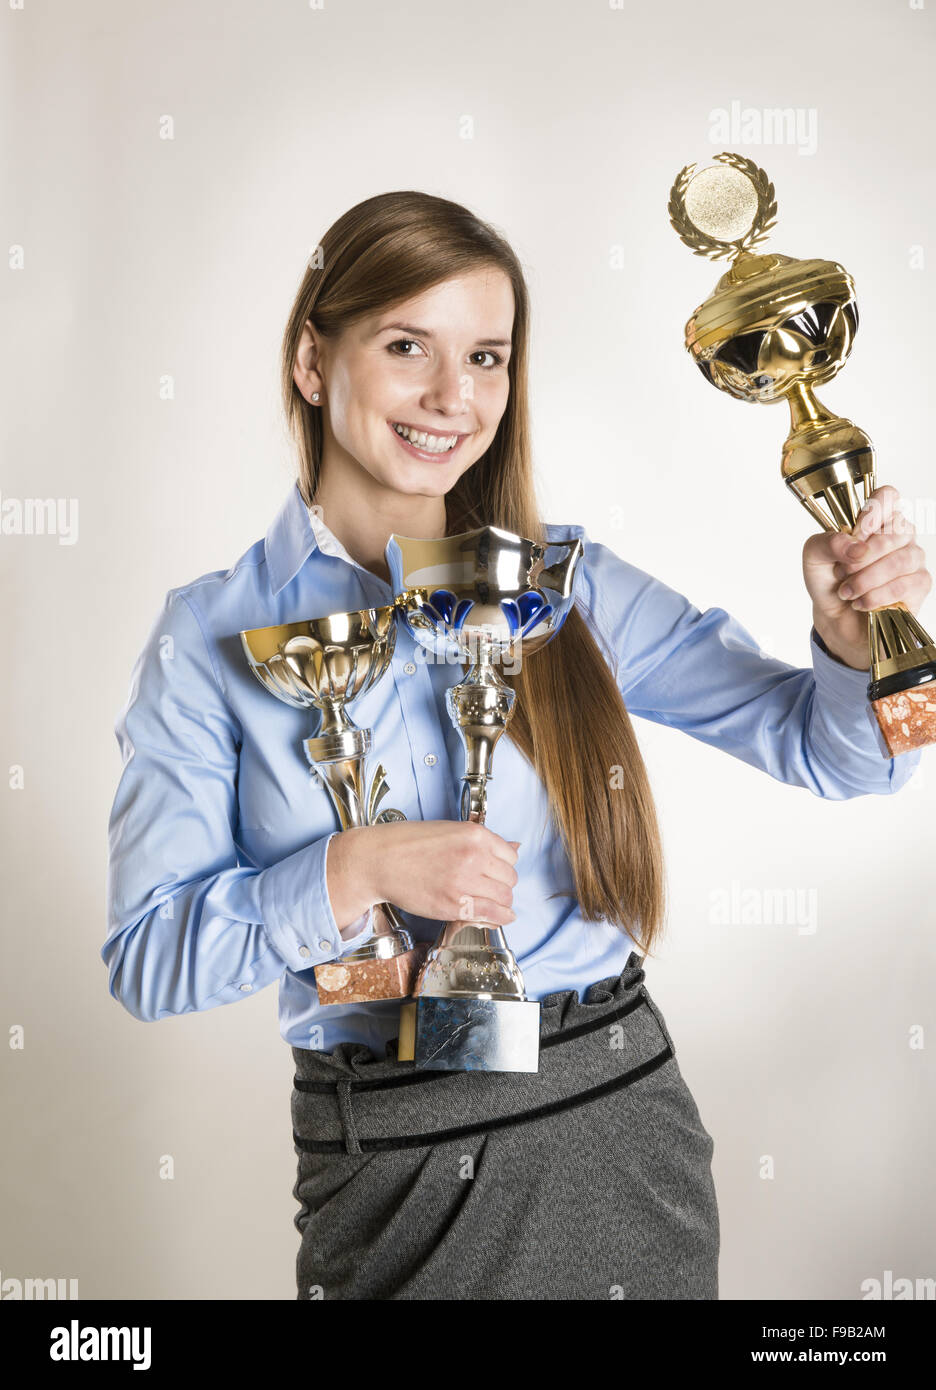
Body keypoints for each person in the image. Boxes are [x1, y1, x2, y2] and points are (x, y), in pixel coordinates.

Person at [103, 190, 929, 1301]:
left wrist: (860, 649)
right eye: (407, 346)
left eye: (486, 357)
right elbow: (148, 962)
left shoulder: (564, 584)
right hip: (389, 1171)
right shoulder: (208, 636)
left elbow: (845, 760)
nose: (454, 397)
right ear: (311, 361)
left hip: (616, 1130)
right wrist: (353, 870)